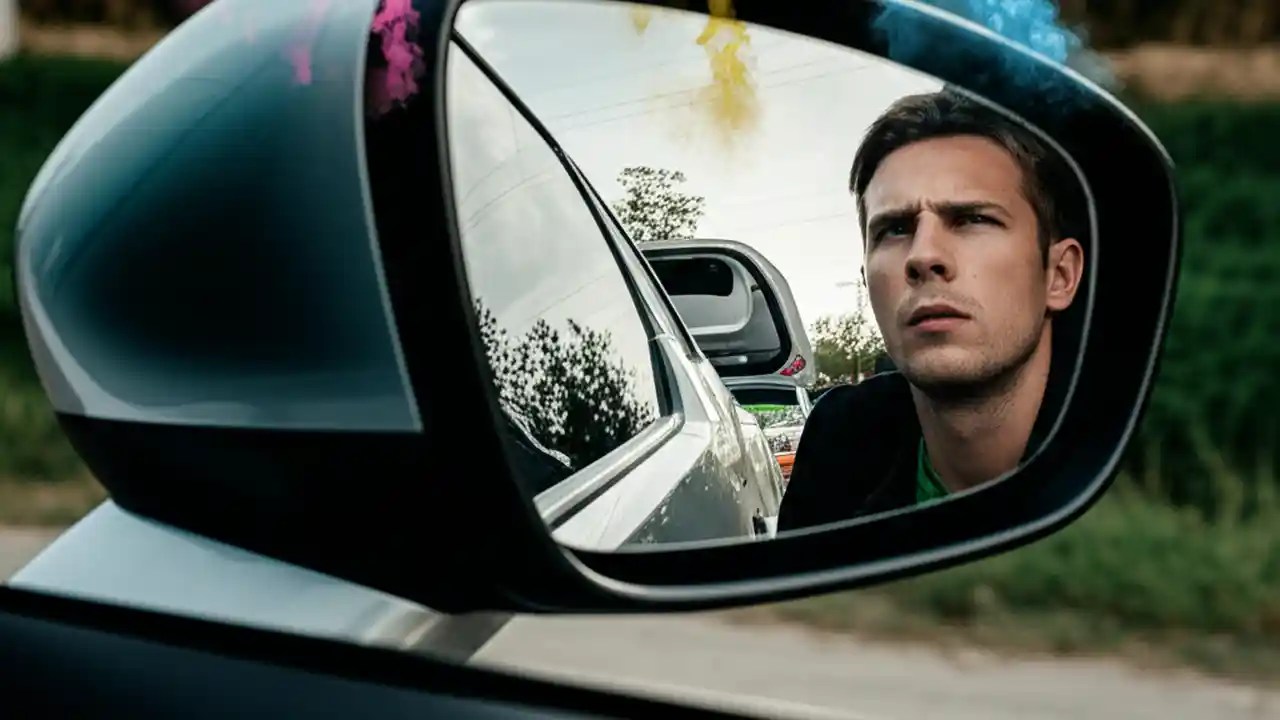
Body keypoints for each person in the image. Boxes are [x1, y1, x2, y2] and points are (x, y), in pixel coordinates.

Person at [777, 88, 1086, 533]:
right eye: (895, 229)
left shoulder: (1139, 460)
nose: (922, 256)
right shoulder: (837, 451)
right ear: (867, 281)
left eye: (972, 219)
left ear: (1059, 275)